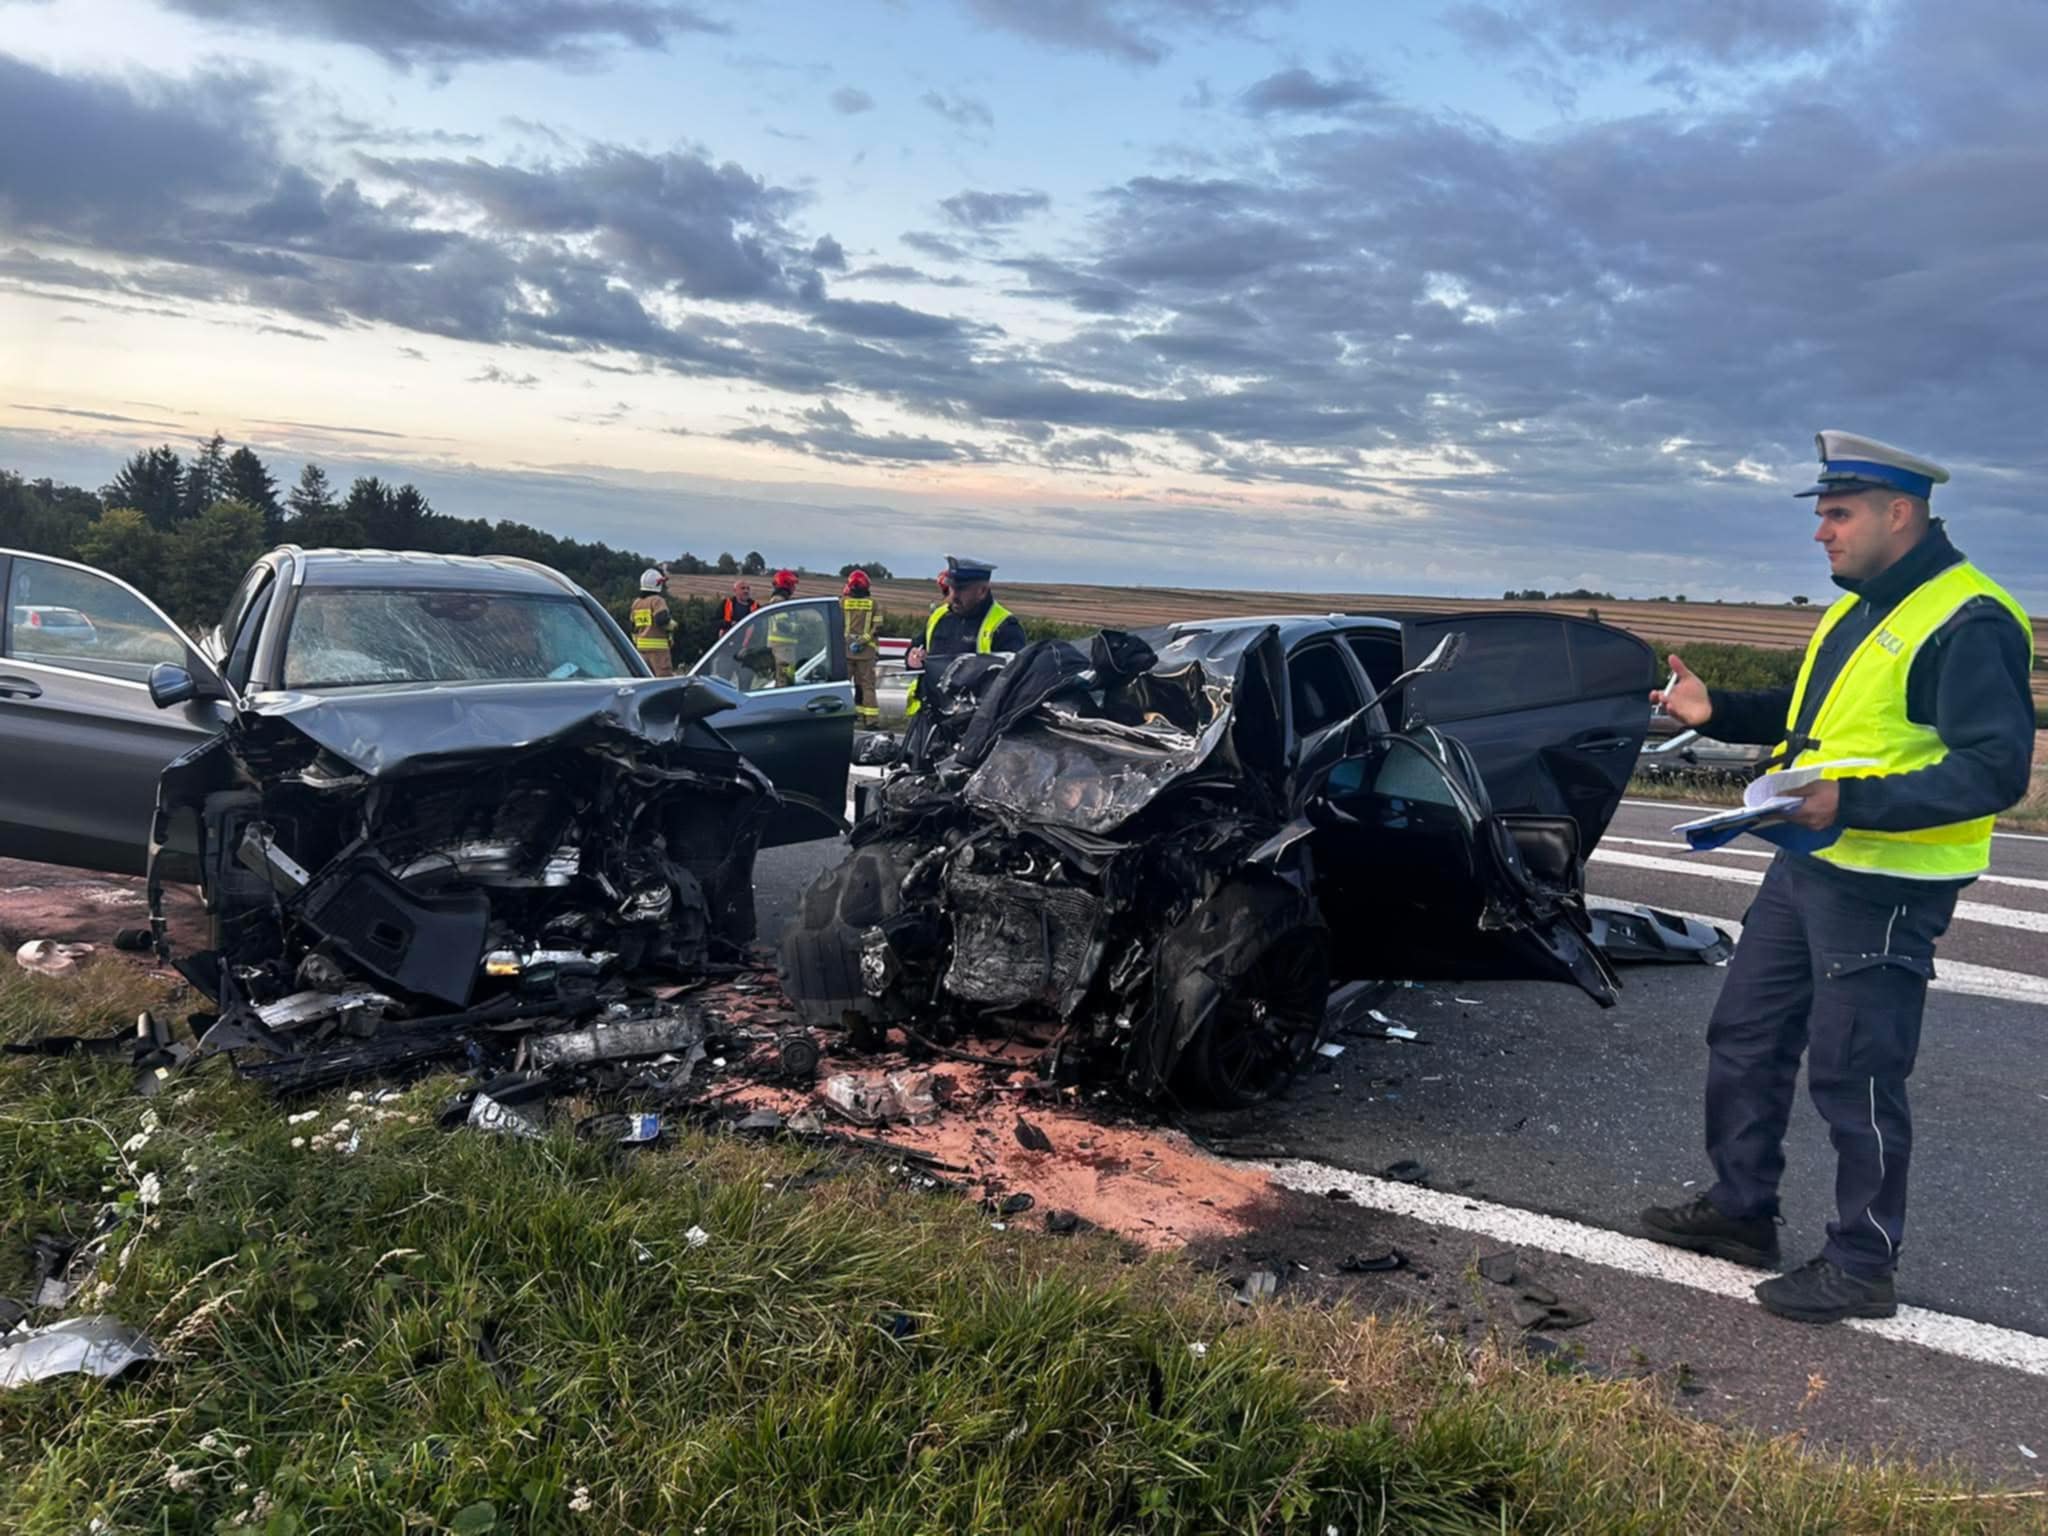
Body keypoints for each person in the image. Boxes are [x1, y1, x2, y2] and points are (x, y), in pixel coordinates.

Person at [1640, 431, 2034, 1325]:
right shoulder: (1859, 606)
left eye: (1838, 514)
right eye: (1821, 515)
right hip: (1809, 859)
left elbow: (1995, 770)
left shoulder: (1968, 618)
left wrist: (1849, 802)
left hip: (1886, 880)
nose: (1822, 531)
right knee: (1745, 1036)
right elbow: (1814, 716)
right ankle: (1741, 1210)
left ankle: (1862, 1263)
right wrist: (1716, 709)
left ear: (1901, 514)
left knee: (1857, 1073)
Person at [905, 555, 1028, 715]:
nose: (954, 596)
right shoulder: (939, 616)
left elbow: (1013, 679)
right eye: (952, 588)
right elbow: (916, 648)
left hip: (973, 721)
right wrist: (912, 658)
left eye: (961, 589)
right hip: (928, 715)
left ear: (982, 591)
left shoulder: (1004, 626)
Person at [841, 568, 881, 723]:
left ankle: (843, 716)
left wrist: (850, 641)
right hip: (866, 652)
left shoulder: (842, 602)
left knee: (843, 686)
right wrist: (862, 641)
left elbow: (836, 624)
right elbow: (877, 628)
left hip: (846, 650)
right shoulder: (874, 604)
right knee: (867, 686)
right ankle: (871, 720)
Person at [628, 567, 674, 677]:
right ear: (657, 584)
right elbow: (662, 620)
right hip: (659, 651)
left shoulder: (636, 603)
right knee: (664, 681)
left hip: (641, 650)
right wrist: (672, 625)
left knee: (646, 679)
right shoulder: (657, 600)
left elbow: (632, 626)